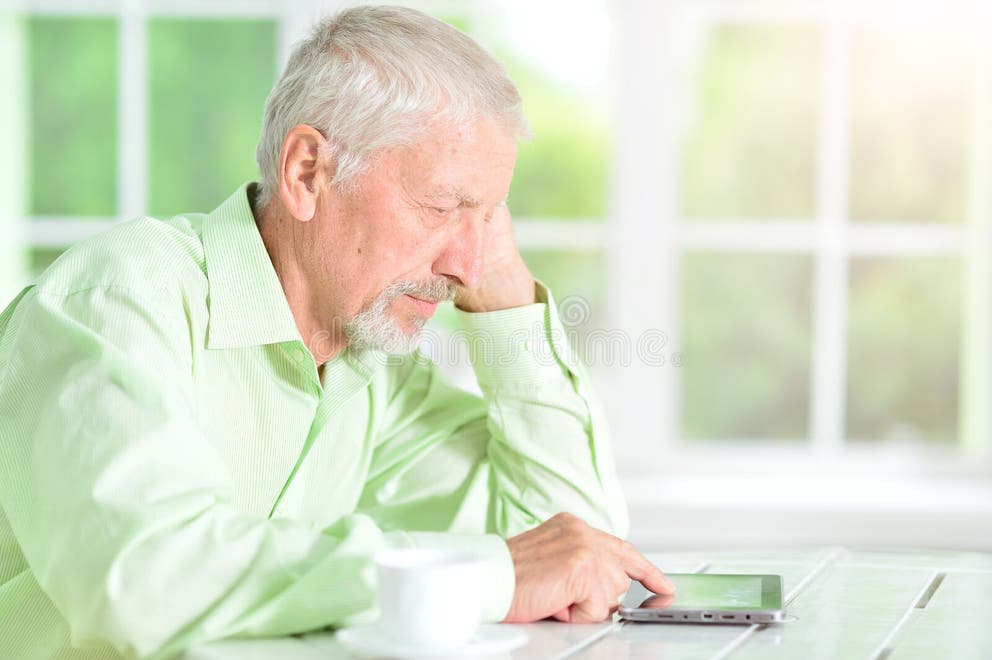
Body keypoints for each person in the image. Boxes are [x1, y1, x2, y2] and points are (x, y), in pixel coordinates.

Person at [0, 6, 674, 659]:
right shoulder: (117, 303)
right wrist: (489, 575)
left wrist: (504, 294)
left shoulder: (372, 368)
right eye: (442, 206)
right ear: (306, 173)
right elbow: (143, 581)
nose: (465, 266)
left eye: (489, 220)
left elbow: (571, 553)